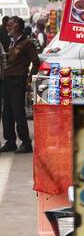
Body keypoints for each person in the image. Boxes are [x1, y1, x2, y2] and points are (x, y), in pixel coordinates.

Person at [0, 17, 39, 152]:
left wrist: (29, 79)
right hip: (8, 80)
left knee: (18, 112)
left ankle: (26, 142)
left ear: (16, 26)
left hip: (18, 80)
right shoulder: (12, 42)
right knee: (7, 113)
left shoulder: (27, 43)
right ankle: (10, 141)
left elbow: (36, 62)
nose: (7, 28)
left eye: (9, 25)